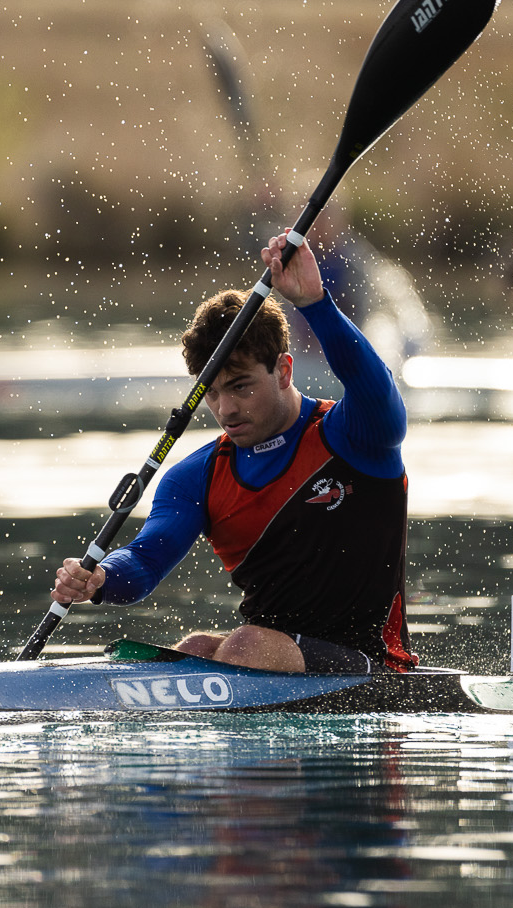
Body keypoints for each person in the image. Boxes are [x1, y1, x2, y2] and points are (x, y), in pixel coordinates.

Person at [50, 231, 419, 674]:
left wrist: (316, 305)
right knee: (196, 649)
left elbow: (375, 389)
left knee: (242, 645)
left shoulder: (354, 435)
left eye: (242, 387)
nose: (226, 409)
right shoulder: (196, 477)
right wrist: (102, 576)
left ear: (283, 370)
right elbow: (146, 559)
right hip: (271, 656)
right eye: (213, 392)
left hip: (374, 668)